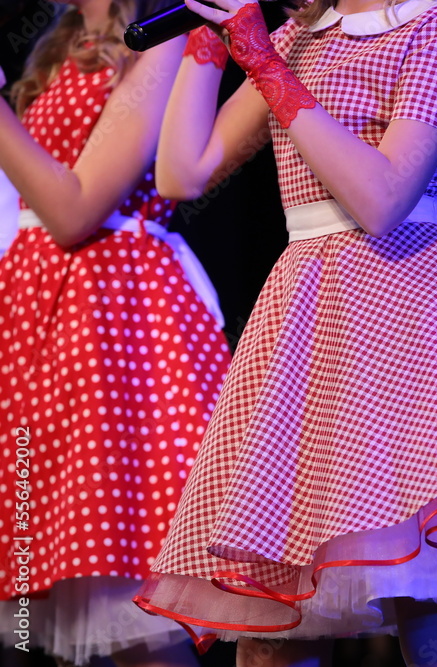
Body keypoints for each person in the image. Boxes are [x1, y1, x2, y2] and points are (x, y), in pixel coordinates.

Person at [131, 1, 437, 666]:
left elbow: (381, 197)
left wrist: (262, 61)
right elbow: (181, 173)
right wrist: (208, 37)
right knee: (271, 632)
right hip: (309, 325)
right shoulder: (298, 34)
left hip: (405, 320)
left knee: (432, 604)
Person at [0, 0, 232, 664]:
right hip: (41, 324)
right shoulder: (64, 40)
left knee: (134, 598)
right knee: (64, 575)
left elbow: (75, 209)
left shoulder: (159, 37)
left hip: (120, 326)